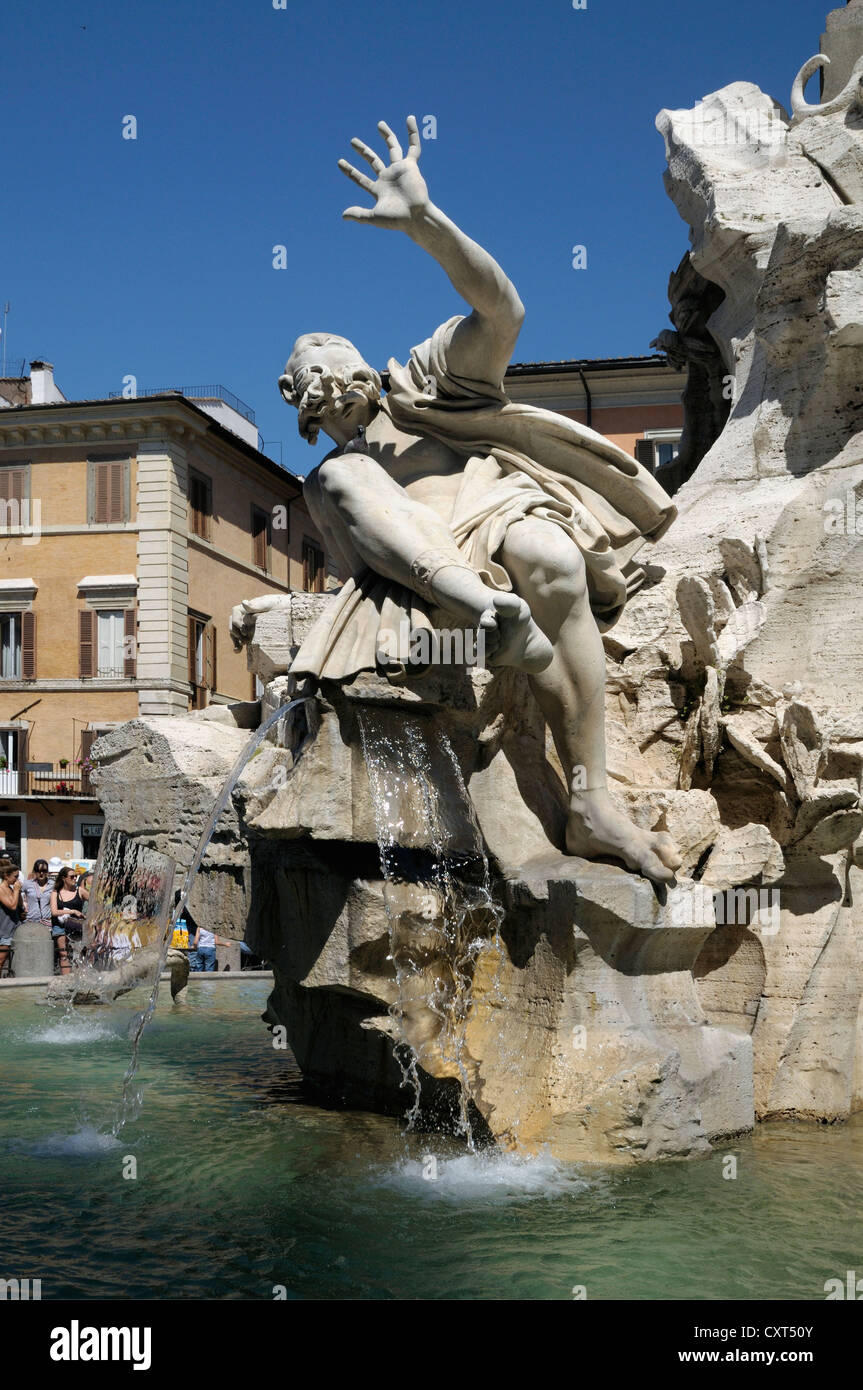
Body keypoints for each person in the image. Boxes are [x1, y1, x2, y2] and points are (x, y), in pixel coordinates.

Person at [278, 117, 682, 885]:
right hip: (428, 583)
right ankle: (491, 612)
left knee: (549, 553)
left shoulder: (429, 386)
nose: (321, 365)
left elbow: (502, 313)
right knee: (341, 475)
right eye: (305, 369)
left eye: (333, 353)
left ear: (366, 363)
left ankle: (591, 801)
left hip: (493, 518)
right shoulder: (328, 481)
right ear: (291, 397)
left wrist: (426, 225)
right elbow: (352, 556)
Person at [50, 866, 88, 973]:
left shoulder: (79, 890)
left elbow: (94, 900)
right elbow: (54, 911)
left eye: (76, 876)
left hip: (76, 926)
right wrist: (72, 911)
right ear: (64, 878)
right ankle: (66, 979)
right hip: (60, 926)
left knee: (78, 954)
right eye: (72, 877)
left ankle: (78, 978)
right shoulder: (55, 893)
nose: (75, 879)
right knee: (63, 954)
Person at [0, 857, 23, 977]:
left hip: (14, 928)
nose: (17, 879)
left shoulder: (11, 888)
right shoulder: (1, 890)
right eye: (15, 876)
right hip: (5, 930)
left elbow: (19, 905)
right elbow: (12, 906)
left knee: (11, 961)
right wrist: (17, 890)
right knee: (1, 961)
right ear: (6, 876)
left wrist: (18, 891)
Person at [22, 859, 53, 936]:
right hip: (31, 921)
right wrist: (23, 906)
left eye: (44, 870)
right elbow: (18, 894)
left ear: (47, 871)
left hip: (47, 923)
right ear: (35, 871)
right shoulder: (27, 884)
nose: (41, 873)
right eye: (38, 871)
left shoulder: (53, 884)